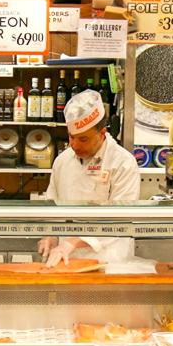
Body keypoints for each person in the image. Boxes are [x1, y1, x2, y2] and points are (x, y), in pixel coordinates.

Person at [38, 90, 139, 268]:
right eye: (71, 137)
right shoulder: (62, 161)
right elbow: (52, 205)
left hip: (108, 259)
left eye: (83, 139)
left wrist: (72, 243)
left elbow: (117, 220)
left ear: (102, 133)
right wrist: (50, 236)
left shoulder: (123, 163)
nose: (74, 145)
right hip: (65, 258)